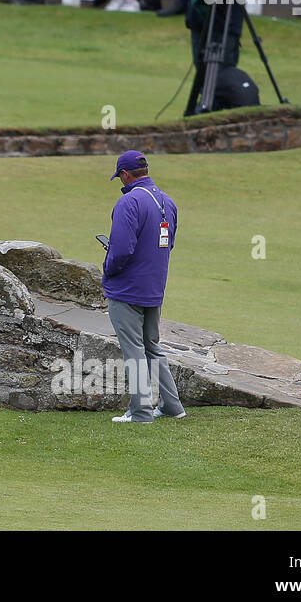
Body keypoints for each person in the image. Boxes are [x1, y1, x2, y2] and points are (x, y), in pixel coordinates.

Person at [102, 150, 186, 424]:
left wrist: (108, 269)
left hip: (127, 288)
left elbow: (121, 250)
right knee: (152, 346)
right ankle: (172, 406)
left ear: (125, 175)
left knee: (134, 350)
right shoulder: (167, 200)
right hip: (154, 286)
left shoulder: (128, 203)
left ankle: (140, 412)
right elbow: (168, 243)